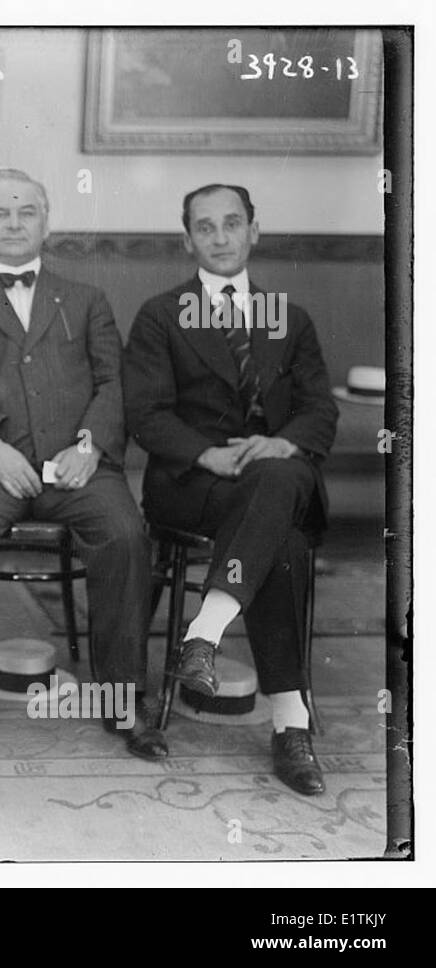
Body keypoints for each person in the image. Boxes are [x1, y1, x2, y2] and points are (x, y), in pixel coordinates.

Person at [0, 168, 161, 758]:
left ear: (45, 221)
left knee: (124, 532)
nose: (13, 223)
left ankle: (120, 690)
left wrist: (88, 446)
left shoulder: (87, 301)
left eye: (25, 212)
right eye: (0, 214)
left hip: (76, 464)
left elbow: (114, 383)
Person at [123, 183, 338, 796]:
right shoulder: (162, 315)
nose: (220, 237)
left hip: (271, 481)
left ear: (254, 230)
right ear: (187, 238)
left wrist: (281, 443)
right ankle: (290, 723)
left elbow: (319, 412)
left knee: (282, 490)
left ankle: (206, 633)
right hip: (193, 484)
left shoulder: (289, 319)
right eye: (206, 227)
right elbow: (146, 413)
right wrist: (210, 454)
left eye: (232, 224)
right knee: (284, 530)